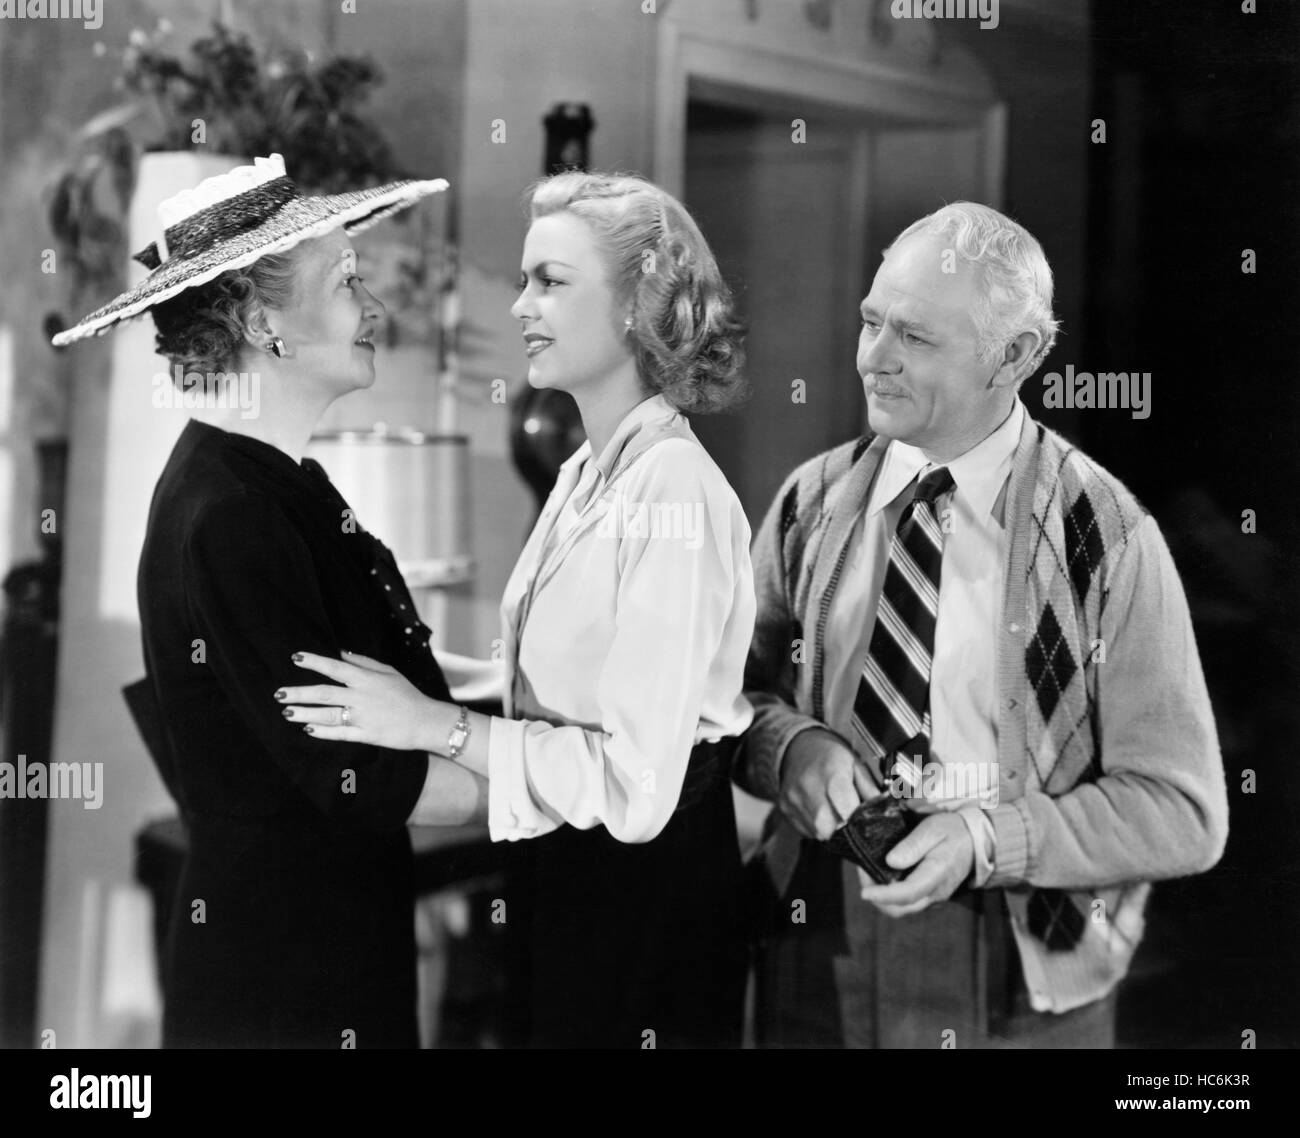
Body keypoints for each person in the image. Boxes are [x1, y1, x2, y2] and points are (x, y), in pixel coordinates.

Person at [735, 202, 1229, 1048]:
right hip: (816, 937)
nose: (874, 360)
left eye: (916, 339)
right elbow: (723, 704)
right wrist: (789, 748)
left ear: (1018, 356)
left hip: (1021, 964)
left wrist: (987, 838)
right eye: (870, 322)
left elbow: (1183, 811)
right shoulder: (810, 500)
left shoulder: (1106, 536)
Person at [279, 171, 756, 1048]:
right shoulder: (585, 472)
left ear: (634, 309)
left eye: (551, 281)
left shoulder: (677, 490)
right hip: (568, 868)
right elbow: (551, 687)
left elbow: (636, 786)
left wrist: (434, 725)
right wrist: (409, 678)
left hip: (650, 893)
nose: (521, 307)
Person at [52, 154, 474, 1048]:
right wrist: (554, 782)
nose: (374, 310)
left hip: (325, 946)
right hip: (284, 982)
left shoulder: (283, 484)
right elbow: (360, 776)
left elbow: (389, 679)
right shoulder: (232, 512)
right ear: (258, 319)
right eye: (346, 282)